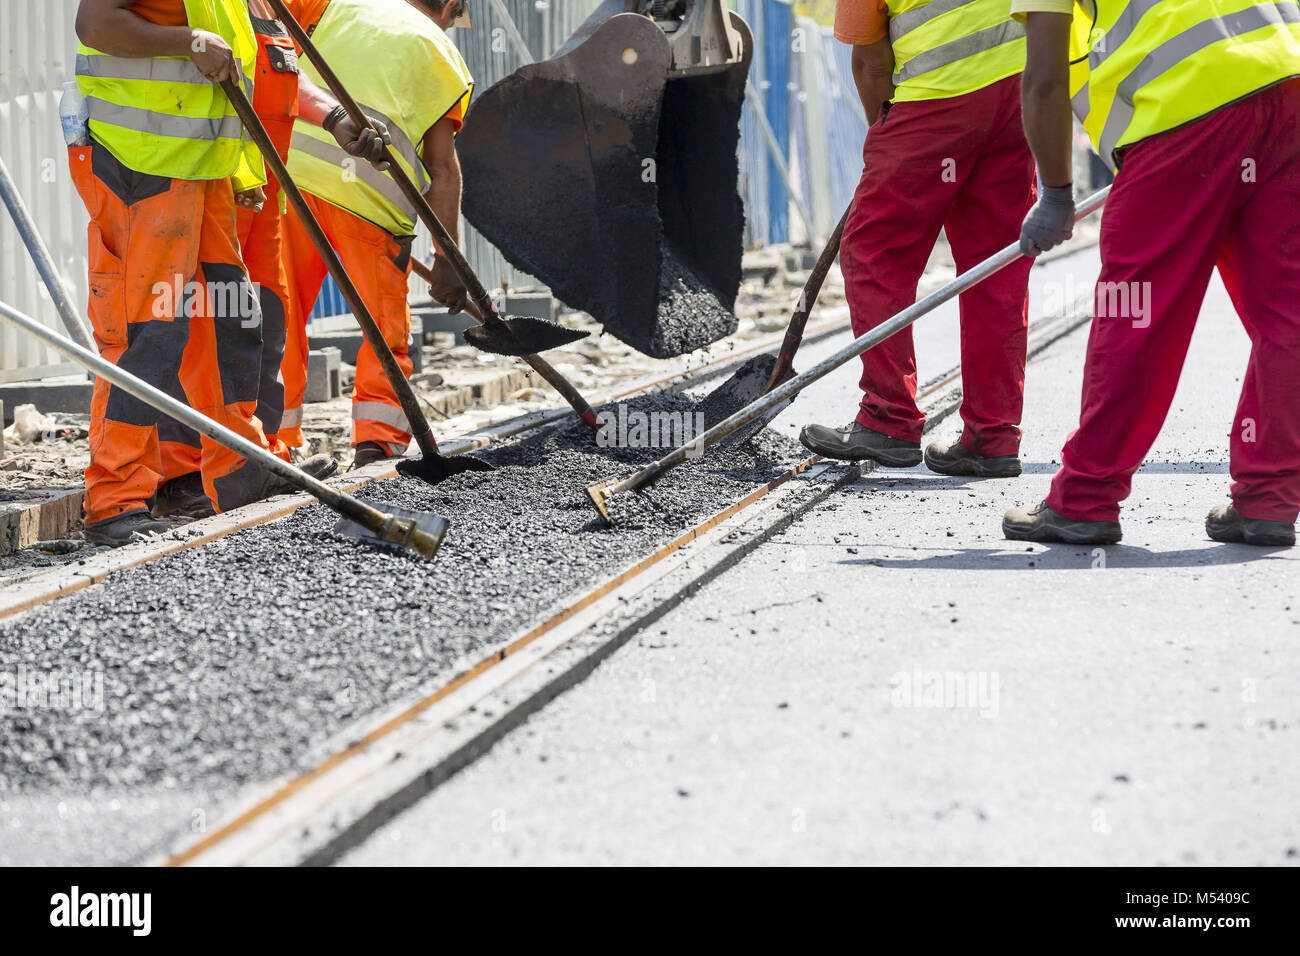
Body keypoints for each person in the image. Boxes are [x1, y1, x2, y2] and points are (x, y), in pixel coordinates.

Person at [1002, 0, 1300, 547]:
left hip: (1184, 112)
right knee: (1291, 312)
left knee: (1135, 310)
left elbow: (1043, 83)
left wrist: (1056, 194)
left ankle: (1086, 499)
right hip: (1290, 89)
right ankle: (1270, 500)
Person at [71, 0, 339, 545]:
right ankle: (116, 498)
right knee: (147, 334)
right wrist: (188, 42)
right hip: (138, 166)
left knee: (228, 325)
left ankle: (241, 471)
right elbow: (95, 23)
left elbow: (225, 83)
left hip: (202, 171)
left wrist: (242, 169)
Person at [153, 0, 391, 519]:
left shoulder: (263, 5)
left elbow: (275, 76)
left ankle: (259, 459)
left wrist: (333, 117)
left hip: (263, 186)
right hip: (214, 179)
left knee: (261, 323)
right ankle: (181, 474)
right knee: (199, 324)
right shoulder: (211, 6)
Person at [799, 0, 1037, 479]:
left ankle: (889, 418)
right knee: (996, 268)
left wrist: (887, 138)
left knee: (875, 252)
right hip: (1021, 97)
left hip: (938, 99)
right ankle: (993, 435)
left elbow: (871, 61)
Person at [278, 0, 474, 468]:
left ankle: (273, 441)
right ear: (448, 7)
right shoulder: (444, 56)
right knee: (382, 327)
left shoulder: (338, 6)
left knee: (276, 316)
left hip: (288, 179)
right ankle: (378, 441)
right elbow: (443, 171)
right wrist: (448, 262)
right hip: (370, 202)